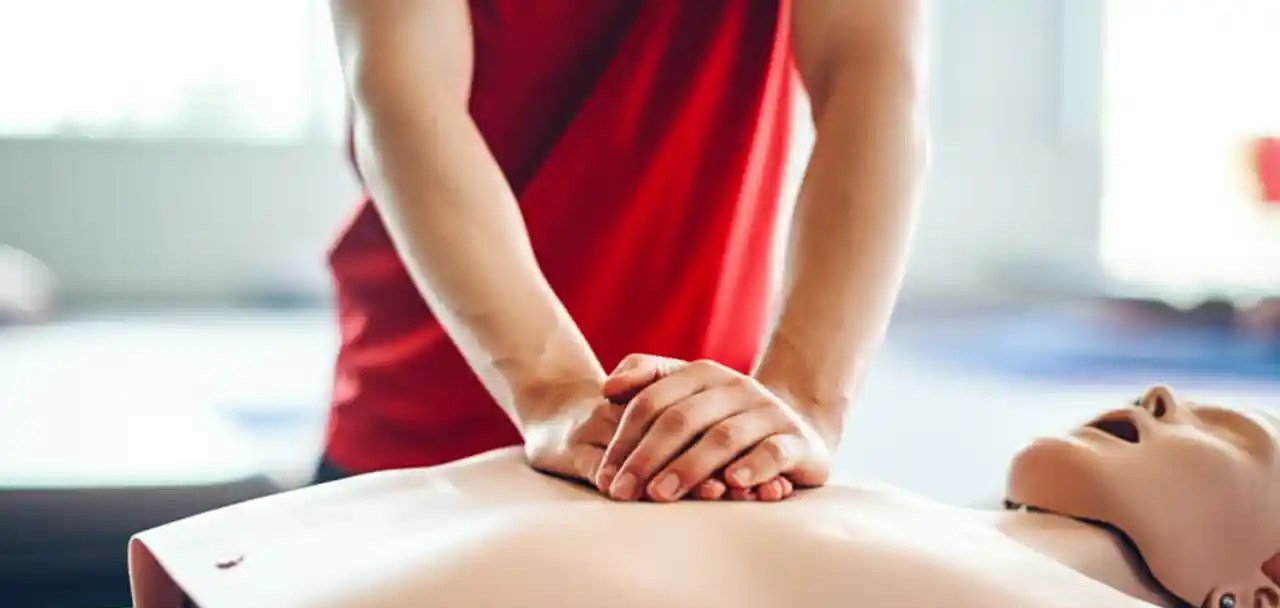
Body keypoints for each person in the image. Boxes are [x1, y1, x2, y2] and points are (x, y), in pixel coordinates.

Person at [130, 386, 1280, 608]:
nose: (1162, 392)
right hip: (272, 584)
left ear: (1256, 593)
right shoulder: (916, 514)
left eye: (1229, 433)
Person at [318, 0, 928, 503]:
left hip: (703, 445)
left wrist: (803, 401)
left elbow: (870, 75)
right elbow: (401, 91)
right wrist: (551, 388)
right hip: (423, 423)